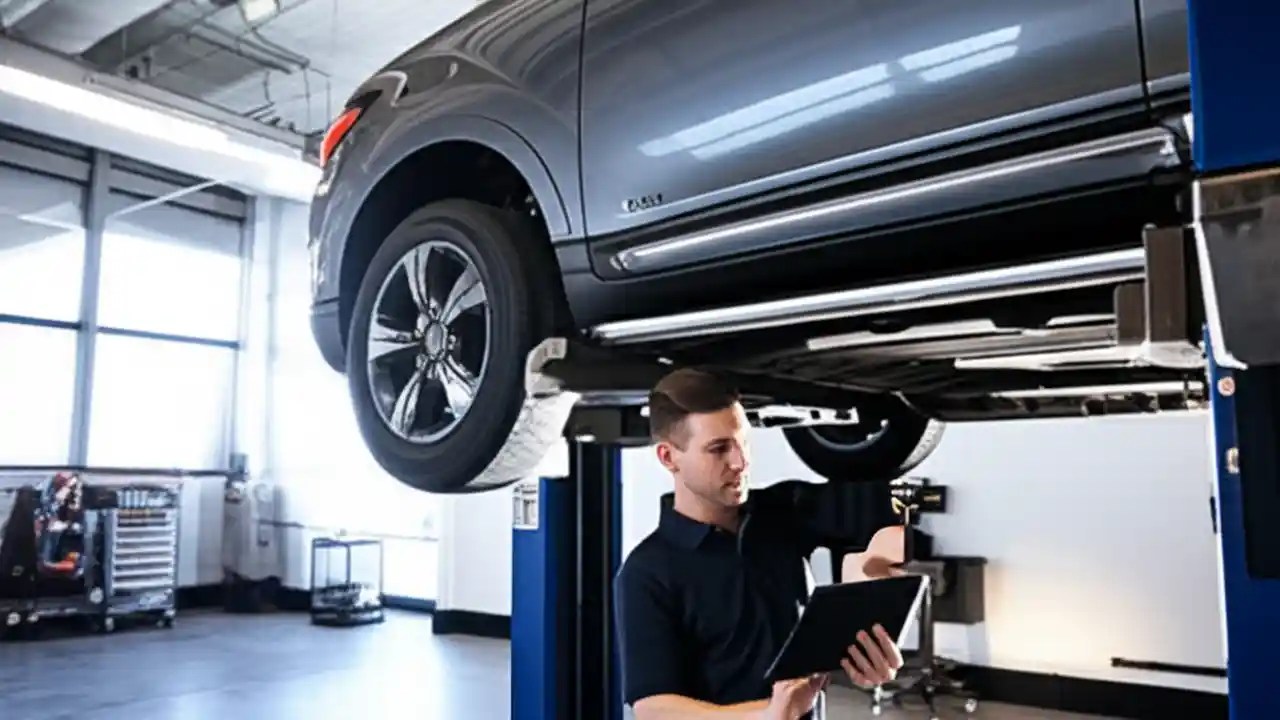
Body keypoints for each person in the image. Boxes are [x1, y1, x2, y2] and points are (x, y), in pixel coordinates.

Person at [614, 367, 904, 720]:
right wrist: (768, 716)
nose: (741, 462)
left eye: (743, 442)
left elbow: (893, 516)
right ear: (668, 457)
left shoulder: (783, 511)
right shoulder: (647, 572)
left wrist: (866, 590)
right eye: (718, 449)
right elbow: (655, 708)